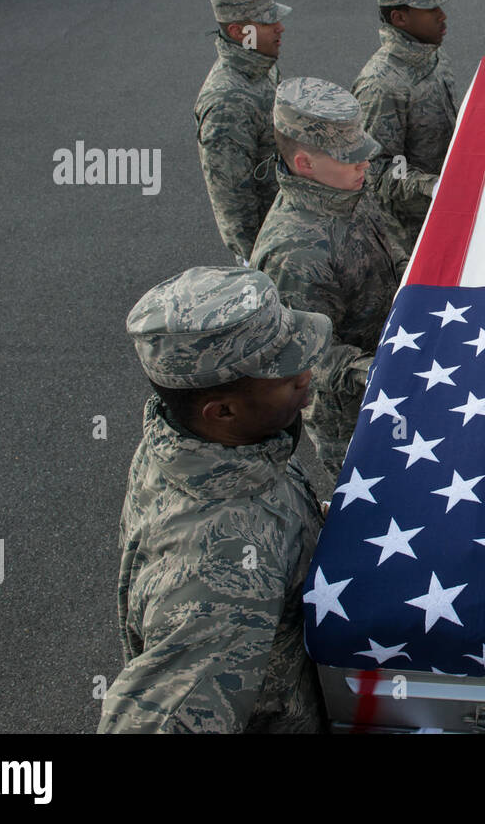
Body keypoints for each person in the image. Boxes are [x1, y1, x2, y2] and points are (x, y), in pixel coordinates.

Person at [98, 266, 333, 733]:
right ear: (221, 410)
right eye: (287, 377)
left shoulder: (213, 446)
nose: (306, 375)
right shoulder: (218, 578)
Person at [251, 77, 411, 481]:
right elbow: (305, 356)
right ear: (304, 162)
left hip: (394, 357)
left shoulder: (341, 184)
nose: (364, 163)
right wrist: (384, 370)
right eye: (350, 156)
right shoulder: (294, 254)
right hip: (356, 415)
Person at [352, 0, 458, 247]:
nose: (442, 16)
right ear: (399, 18)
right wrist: (433, 186)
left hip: (449, 208)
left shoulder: (434, 55)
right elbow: (374, 171)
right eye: (430, 9)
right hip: (411, 236)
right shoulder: (381, 85)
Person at [194, 0, 290, 263]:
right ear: (238, 32)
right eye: (267, 22)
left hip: (287, 229)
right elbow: (231, 200)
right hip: (269, 250)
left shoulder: (261, 66)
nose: (280, 27)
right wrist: (257, 261)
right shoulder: (227, 102)